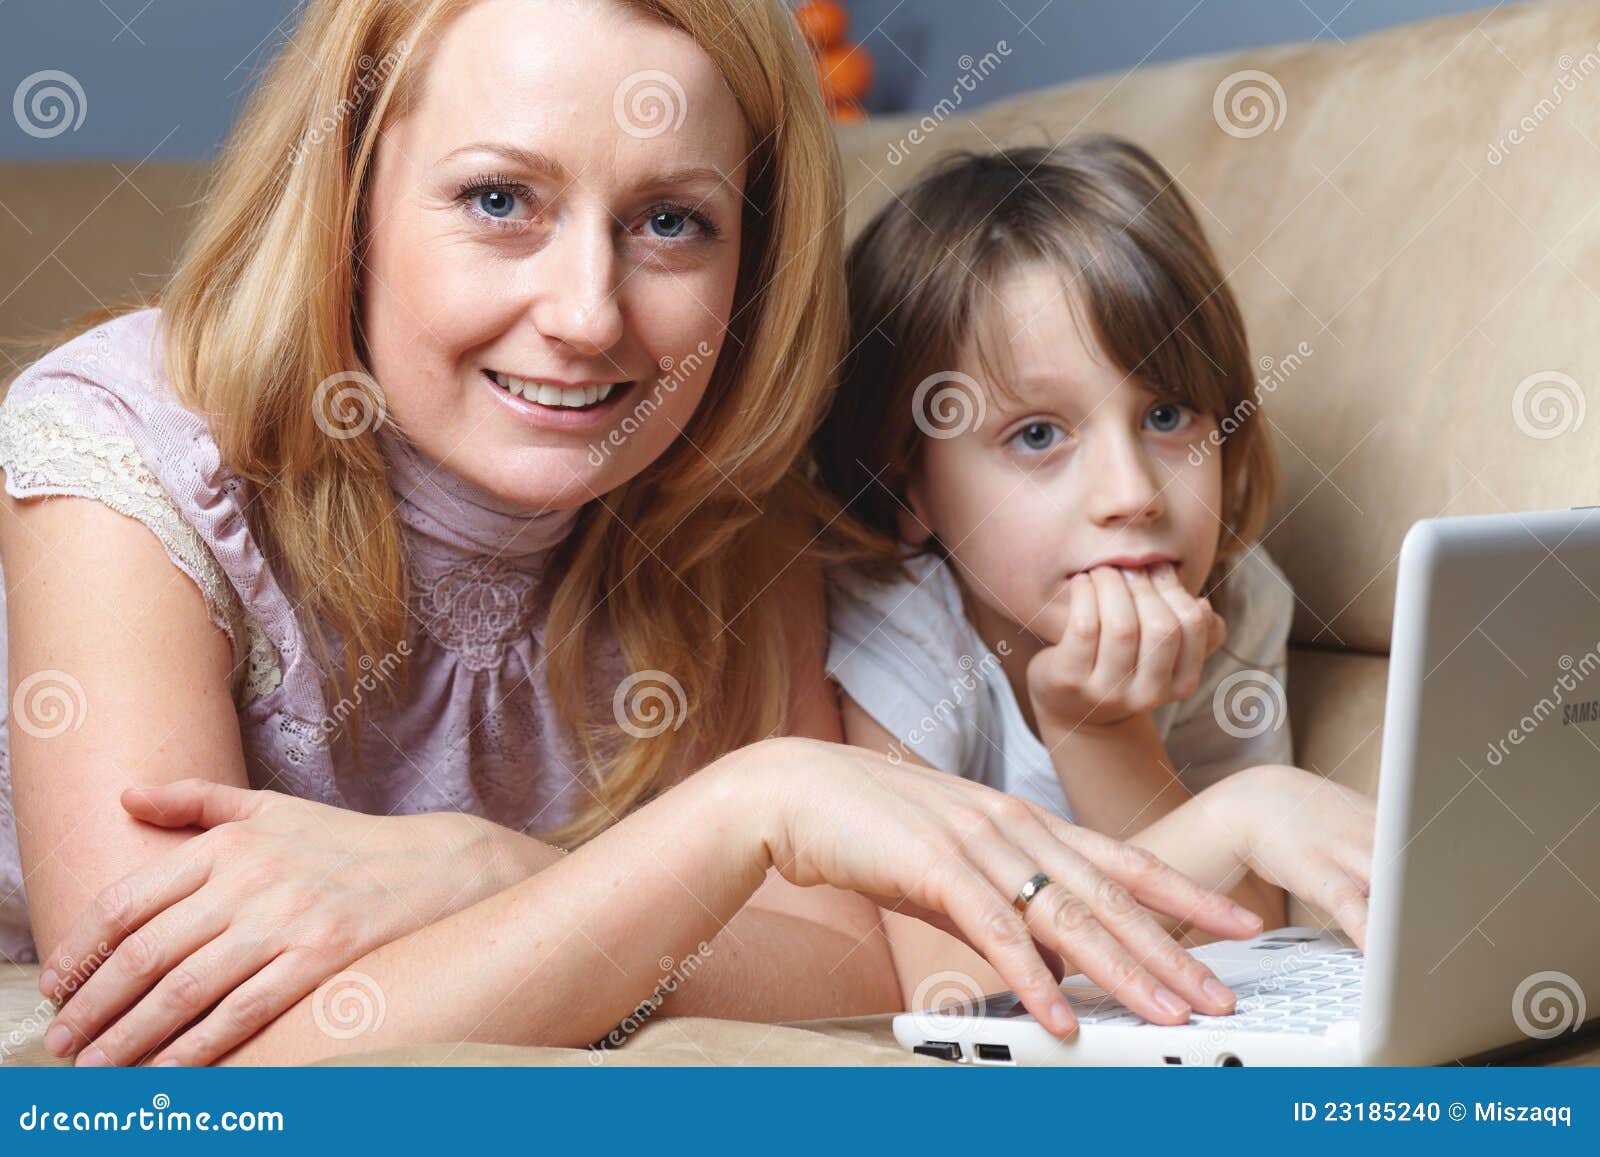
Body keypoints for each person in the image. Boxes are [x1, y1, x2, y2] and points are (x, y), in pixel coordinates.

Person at [0, 0, 1280, 1067]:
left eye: (672, 222)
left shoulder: (725, 495)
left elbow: (850, 960)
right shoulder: (122, 456)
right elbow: (171, 1067)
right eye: (500, 198)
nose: (585, 314)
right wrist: (743, 815)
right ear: (347, 202)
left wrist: (482, 871)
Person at [815, 139, 1373, 958]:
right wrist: (1190, 795)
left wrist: (1110, 737)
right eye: (1037, 434)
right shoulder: (900, 627)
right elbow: (948, 982)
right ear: (914, 492)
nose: (1131, 493)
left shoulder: (1236, 597)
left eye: (1168, 415)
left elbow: (1247, 956)